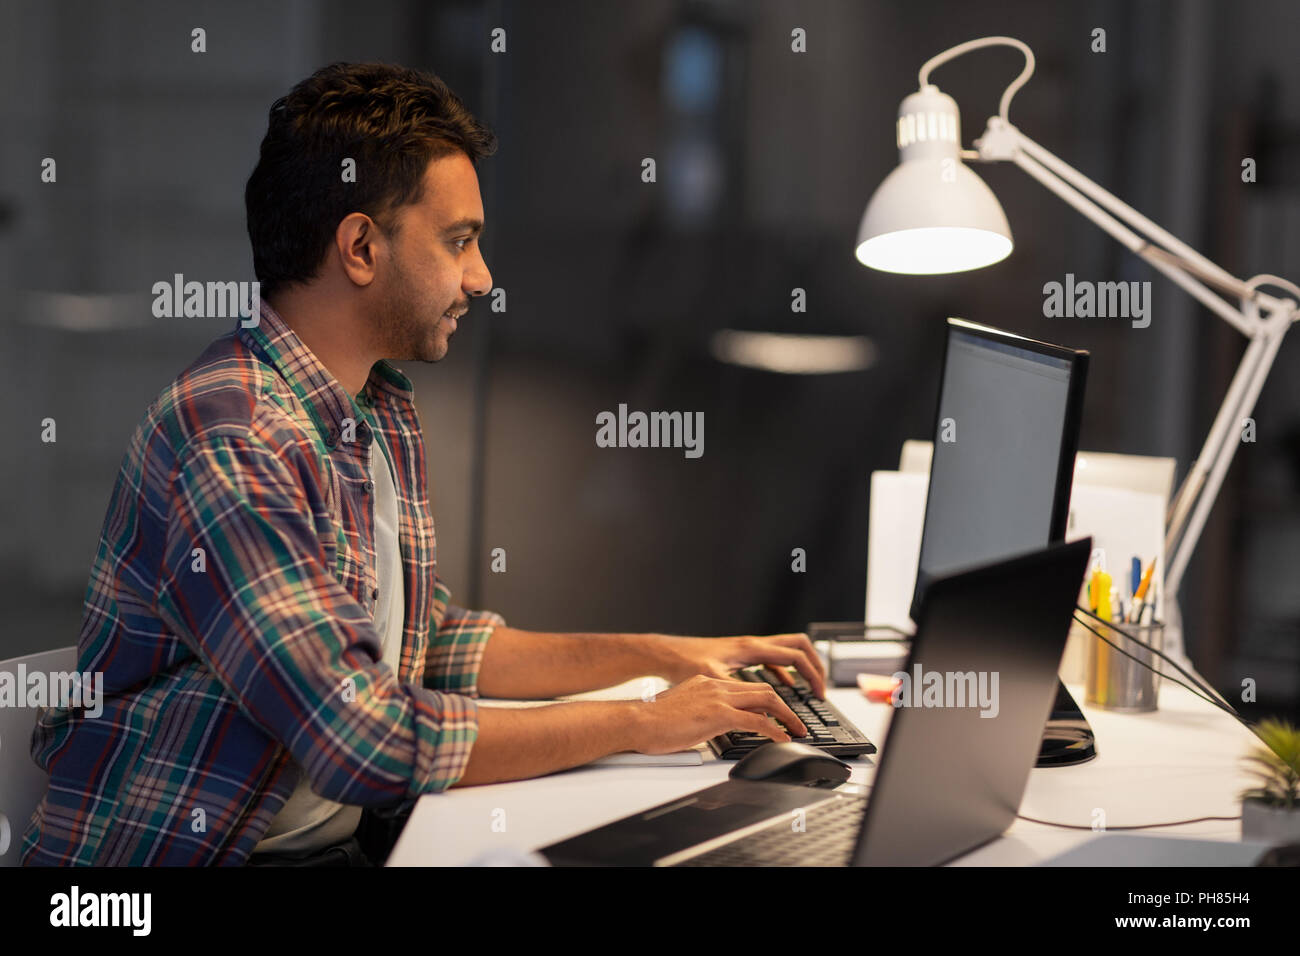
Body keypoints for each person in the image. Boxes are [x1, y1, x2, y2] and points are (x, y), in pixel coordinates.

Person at [22, 62, 822, 867]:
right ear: (361, 247)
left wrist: (663, 656)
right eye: (459, 241)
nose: (482, 278)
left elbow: (428, 643)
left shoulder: (367, 408)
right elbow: (360, 740)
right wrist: (642, 723)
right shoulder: (237, 439)